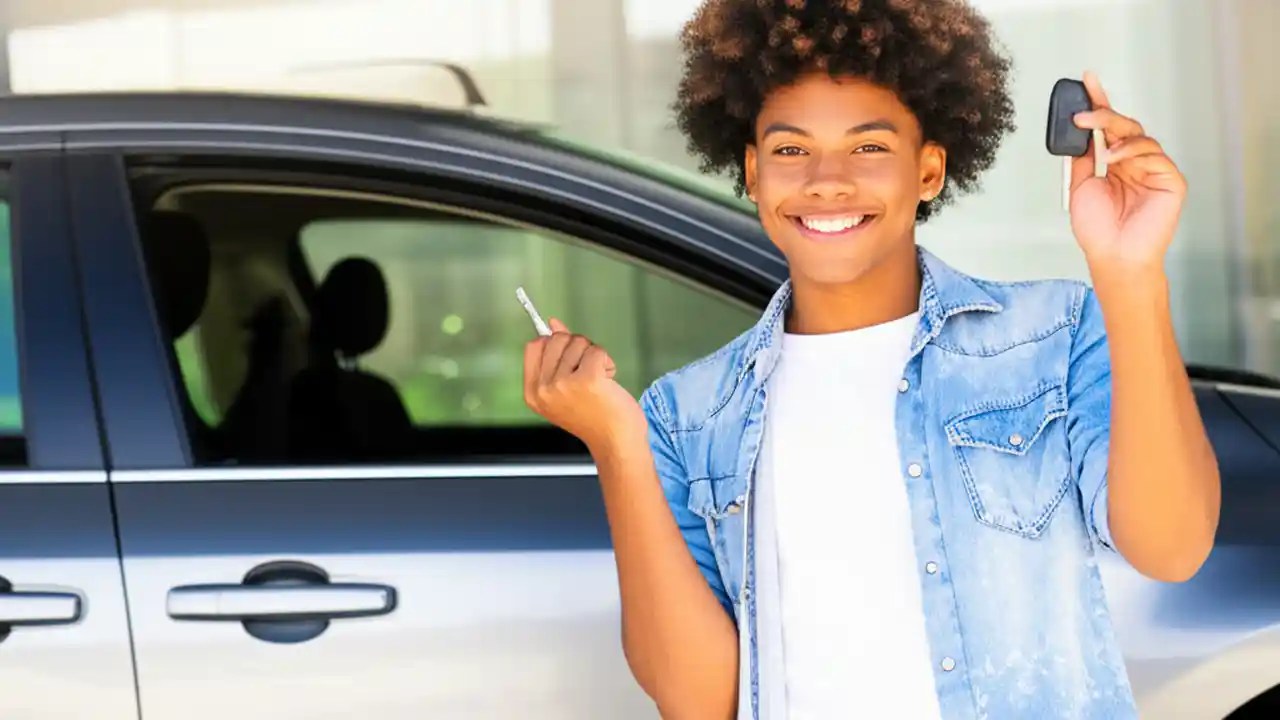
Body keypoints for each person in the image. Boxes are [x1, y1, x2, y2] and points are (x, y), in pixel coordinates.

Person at [522, 0, 1221, 717]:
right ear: (754, 171)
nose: (827, 179)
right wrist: (615, 444)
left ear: (929, 170)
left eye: (869, 147)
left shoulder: (1051, 336)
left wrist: (1130, 272)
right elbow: (699, 701)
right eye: (792, 150)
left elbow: (1173, 549)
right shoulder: (689, 414)